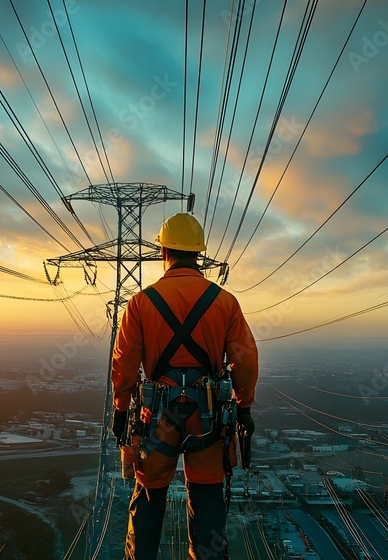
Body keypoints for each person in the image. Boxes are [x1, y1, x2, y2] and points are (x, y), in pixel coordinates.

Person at [111, 212, 259, 560]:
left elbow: (125, 364)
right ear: (200, 255)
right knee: (207, 497)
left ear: (163, 252)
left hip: (158, 419)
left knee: (149, 496)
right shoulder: (224, 302)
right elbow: (245, 358)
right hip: (207, 418)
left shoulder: (140, 303)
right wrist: (245, 406)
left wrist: (120, 411)